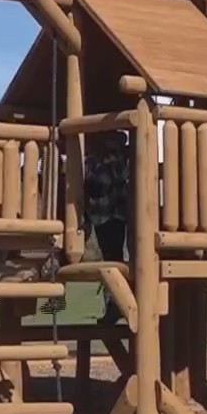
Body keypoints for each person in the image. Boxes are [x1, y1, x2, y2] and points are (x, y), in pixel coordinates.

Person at [83, 133, 132, 323]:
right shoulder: (109, 160)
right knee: (113, 258)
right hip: (108, 214)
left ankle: (116, 303)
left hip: (109, 214)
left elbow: (99, 185)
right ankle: (115, 303)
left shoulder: (100, 161)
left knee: (113, 258)